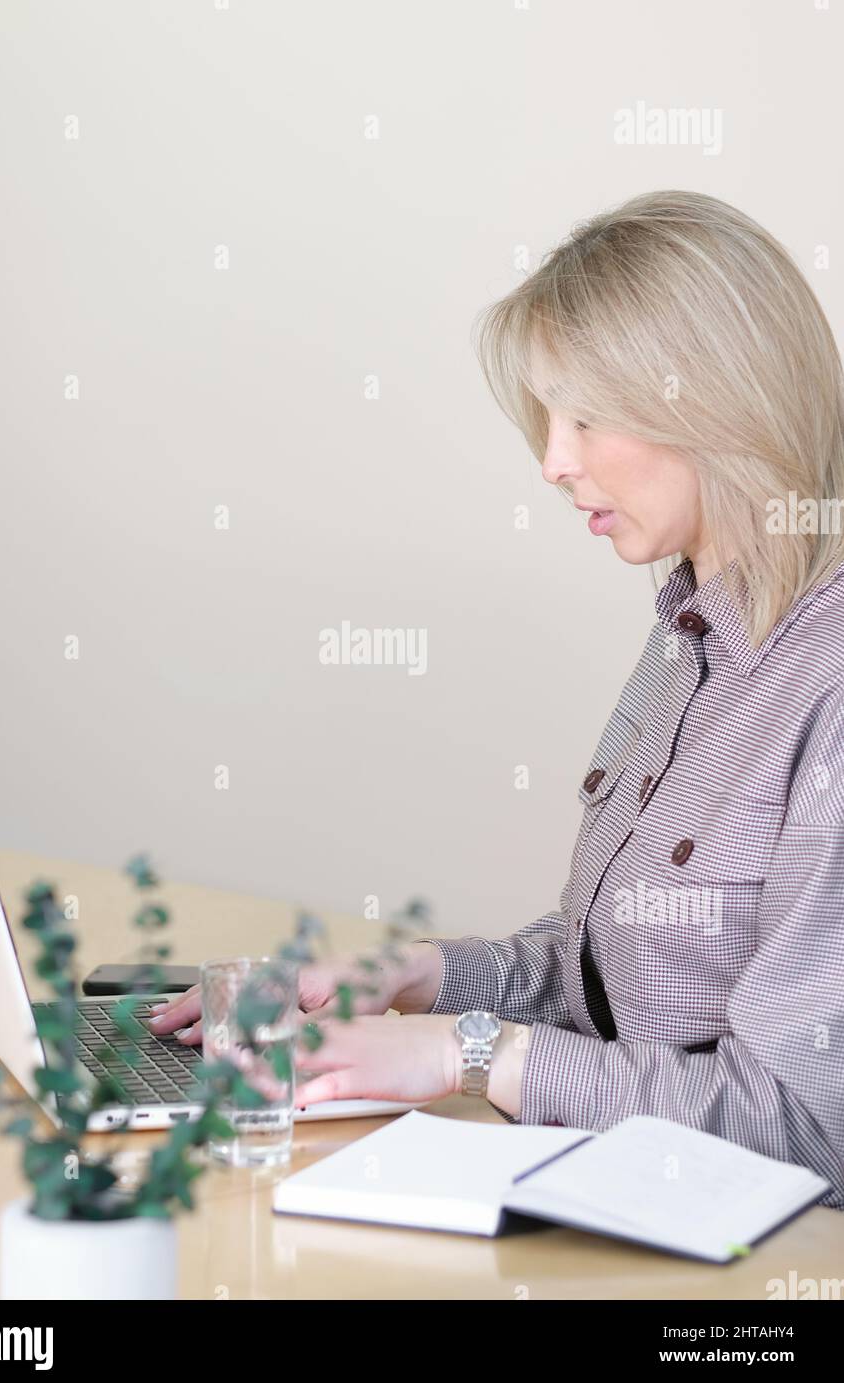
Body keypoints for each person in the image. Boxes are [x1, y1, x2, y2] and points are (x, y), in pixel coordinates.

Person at [151, 190, 844, 1207]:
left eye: (588, 417)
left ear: (717, 401)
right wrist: (414, 980)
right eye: (548, 418)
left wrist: (471, 1055)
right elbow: (618, 980)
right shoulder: (689, 634)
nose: (554, 461)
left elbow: (807, 1130)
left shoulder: (825, 687)